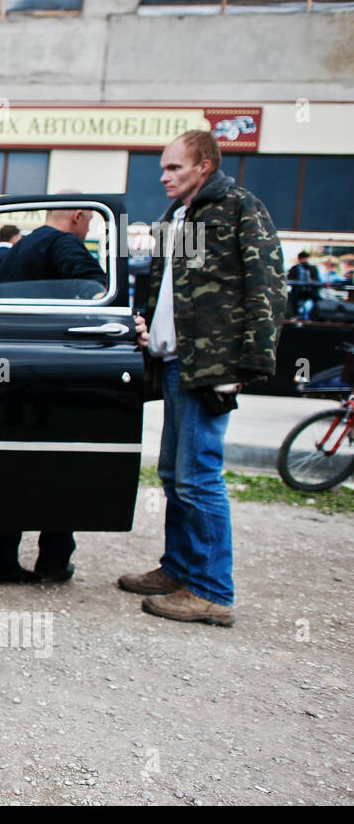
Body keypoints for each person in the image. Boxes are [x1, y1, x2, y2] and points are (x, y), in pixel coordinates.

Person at [121, 130, 286, 626]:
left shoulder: (239, 208)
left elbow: (267, 288)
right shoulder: (179, 217)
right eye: (164, 168)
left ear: (205, 166)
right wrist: (150, 325)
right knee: (174, 475)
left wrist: (247, 366)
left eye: (174, 168)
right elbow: (176, 290)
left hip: (211, 368)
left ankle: (212, 591)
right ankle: (179, 570)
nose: (164, 176)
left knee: (198, 479)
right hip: (177, 363)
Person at [0, 197, 106, 585]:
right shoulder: (65, 244)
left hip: (11, 365)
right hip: (52, 366)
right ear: (78, 215)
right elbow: (96, 291)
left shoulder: (20, 248)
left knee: (9, 465)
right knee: (60, 463)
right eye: (87, 224)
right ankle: (53, 560)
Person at [286, 251, 321, 319]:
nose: (304, 260)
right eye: (303, 258)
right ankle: (296, 314)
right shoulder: (294, 268)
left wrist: (312, 280)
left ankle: (313, 316)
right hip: (297, 289)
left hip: (310, 289)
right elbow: (289, 279)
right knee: (293, 298)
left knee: (317, 299)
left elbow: (317, 280)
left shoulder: (312, 268)